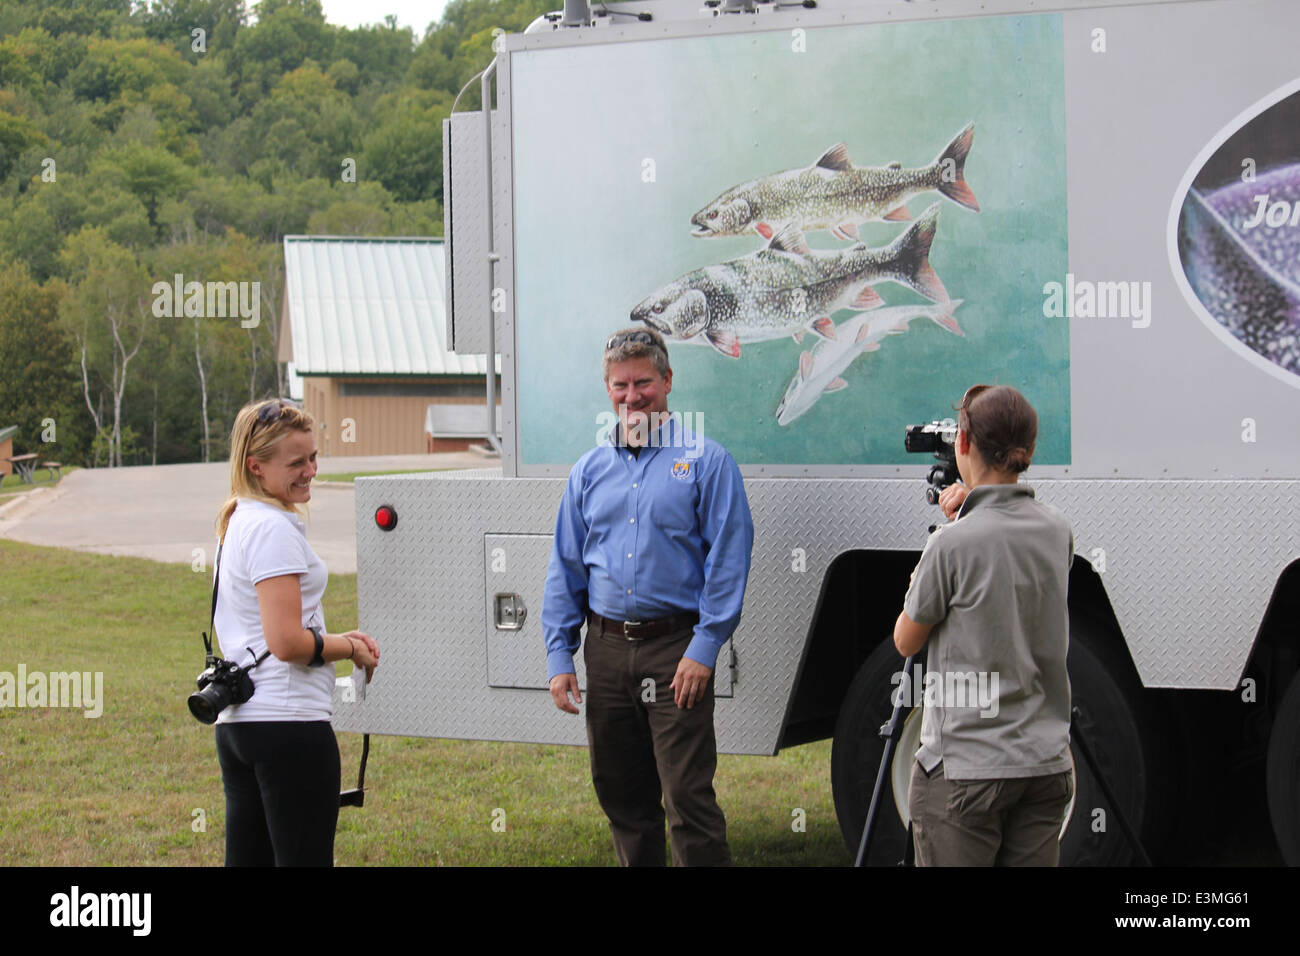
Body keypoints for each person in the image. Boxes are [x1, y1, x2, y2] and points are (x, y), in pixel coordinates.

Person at [542, 327, 754, 866]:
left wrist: (704, 649)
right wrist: (558, 655)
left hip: (676, 652)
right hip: (607, 651)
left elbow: (728, 561)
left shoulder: (707, 462)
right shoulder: (588, 473)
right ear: (606, 388)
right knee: (622, 797)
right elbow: (566, 566)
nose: (631, 396)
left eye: (643, 383)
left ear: (667, 381)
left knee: (687, 797)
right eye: (620, 385)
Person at [893, 384, 1074, 866]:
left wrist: (946, 539)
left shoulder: (951, 545)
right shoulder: (1057, 529)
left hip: (966, 769)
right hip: (1044, 763)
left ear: (964, 445)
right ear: (1029, 451)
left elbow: (906, 639)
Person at [210, 399, 380, 866]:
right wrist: (350, 648)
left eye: (312, 457)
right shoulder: (272, 529)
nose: (310, 471)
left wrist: (335, 638)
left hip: (240, 728)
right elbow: (286, 643)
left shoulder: (238, 521)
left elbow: (269, 634)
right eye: (296, 462)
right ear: (256, 467)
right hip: (289, 726)